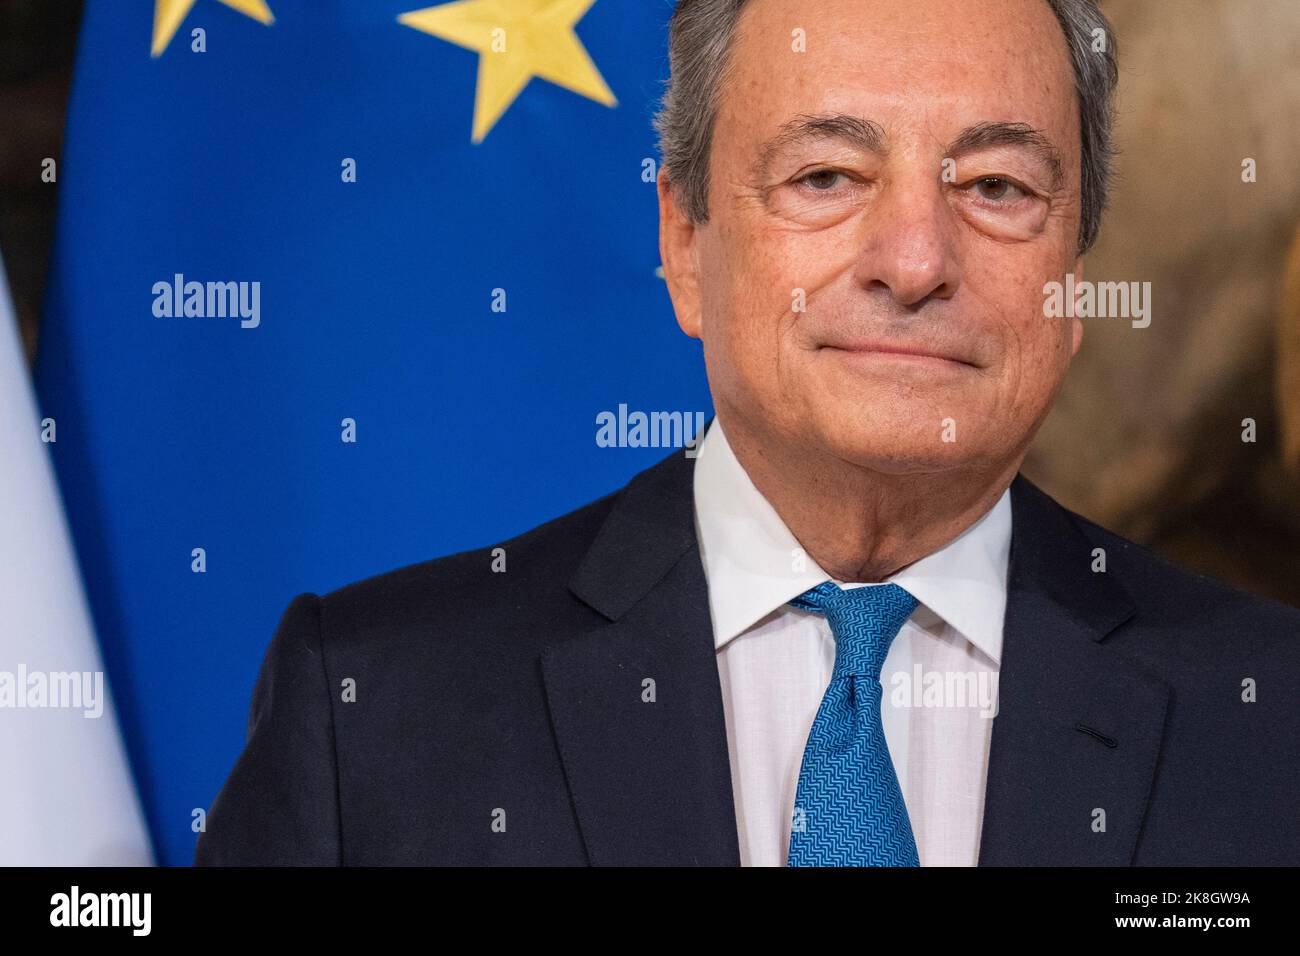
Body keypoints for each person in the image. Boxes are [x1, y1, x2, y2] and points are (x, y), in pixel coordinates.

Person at [194, 0, 1300, 866]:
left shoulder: (1271, 719)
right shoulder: (371, 712)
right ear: (684, 242)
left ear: (1072, 277)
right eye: (826, 175)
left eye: (998, 187)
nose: (914, 261)